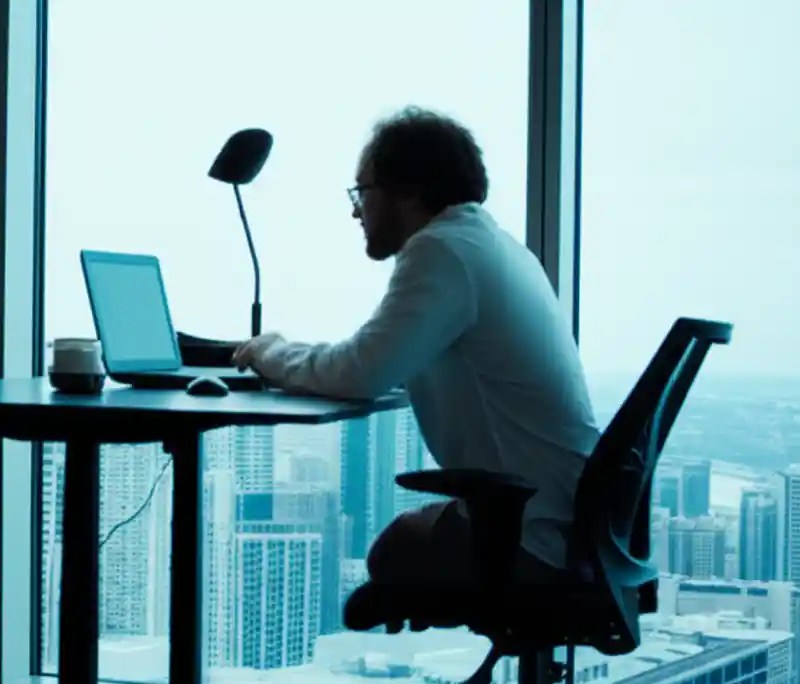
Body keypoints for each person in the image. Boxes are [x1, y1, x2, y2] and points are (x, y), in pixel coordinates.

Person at [231, 107, 599, 588]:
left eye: (363, 192)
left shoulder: (442, 250)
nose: (356, 211)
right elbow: (385, 359)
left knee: (393, 552)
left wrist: (269, 352)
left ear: (408, 190)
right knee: (404, 541)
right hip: (570, 524)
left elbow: (360, 372)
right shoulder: (493, 246)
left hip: (525, 533)